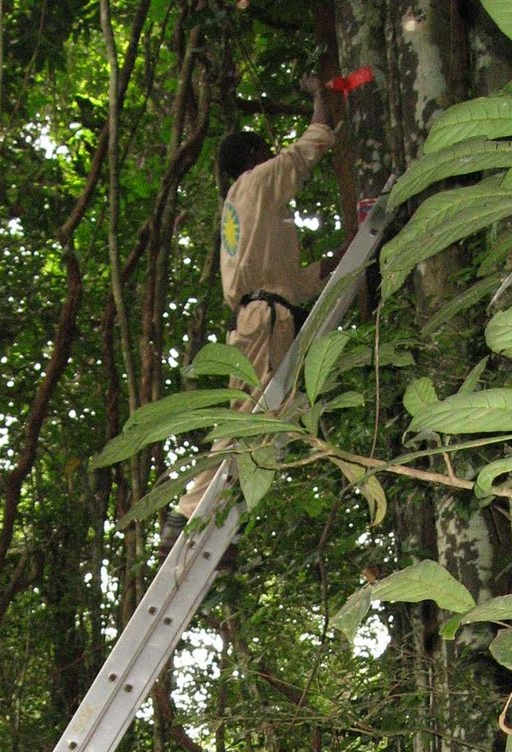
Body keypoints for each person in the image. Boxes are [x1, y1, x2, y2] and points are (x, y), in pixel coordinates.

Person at [164, 73, 339, 541]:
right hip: (264, 320)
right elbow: (311, 145)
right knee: (250, 418)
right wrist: (320, 96)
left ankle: (216, 519)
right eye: (265, 150)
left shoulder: (248, 208)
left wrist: (330, 265)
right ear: (252, 157)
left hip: (261, 316)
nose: (271, 155)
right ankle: (190, 512)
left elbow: (287, 281)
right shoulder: (257, 183)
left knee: (261, 416)